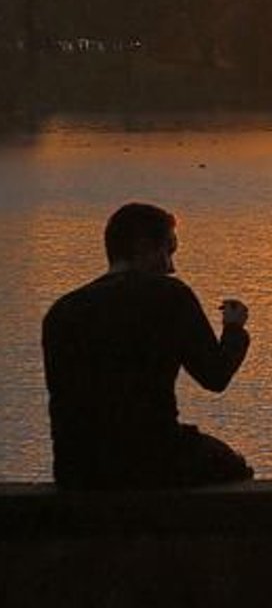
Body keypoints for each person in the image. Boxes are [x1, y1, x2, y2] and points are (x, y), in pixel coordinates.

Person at [42, 202, 253, 490]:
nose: (172, 267)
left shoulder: (61, 312)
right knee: (235, 467)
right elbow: (215, 376)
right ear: (143, 247)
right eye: (168, 251)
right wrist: (233, 329)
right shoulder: (170, 296)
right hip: (153, 459)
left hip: (77, 469)